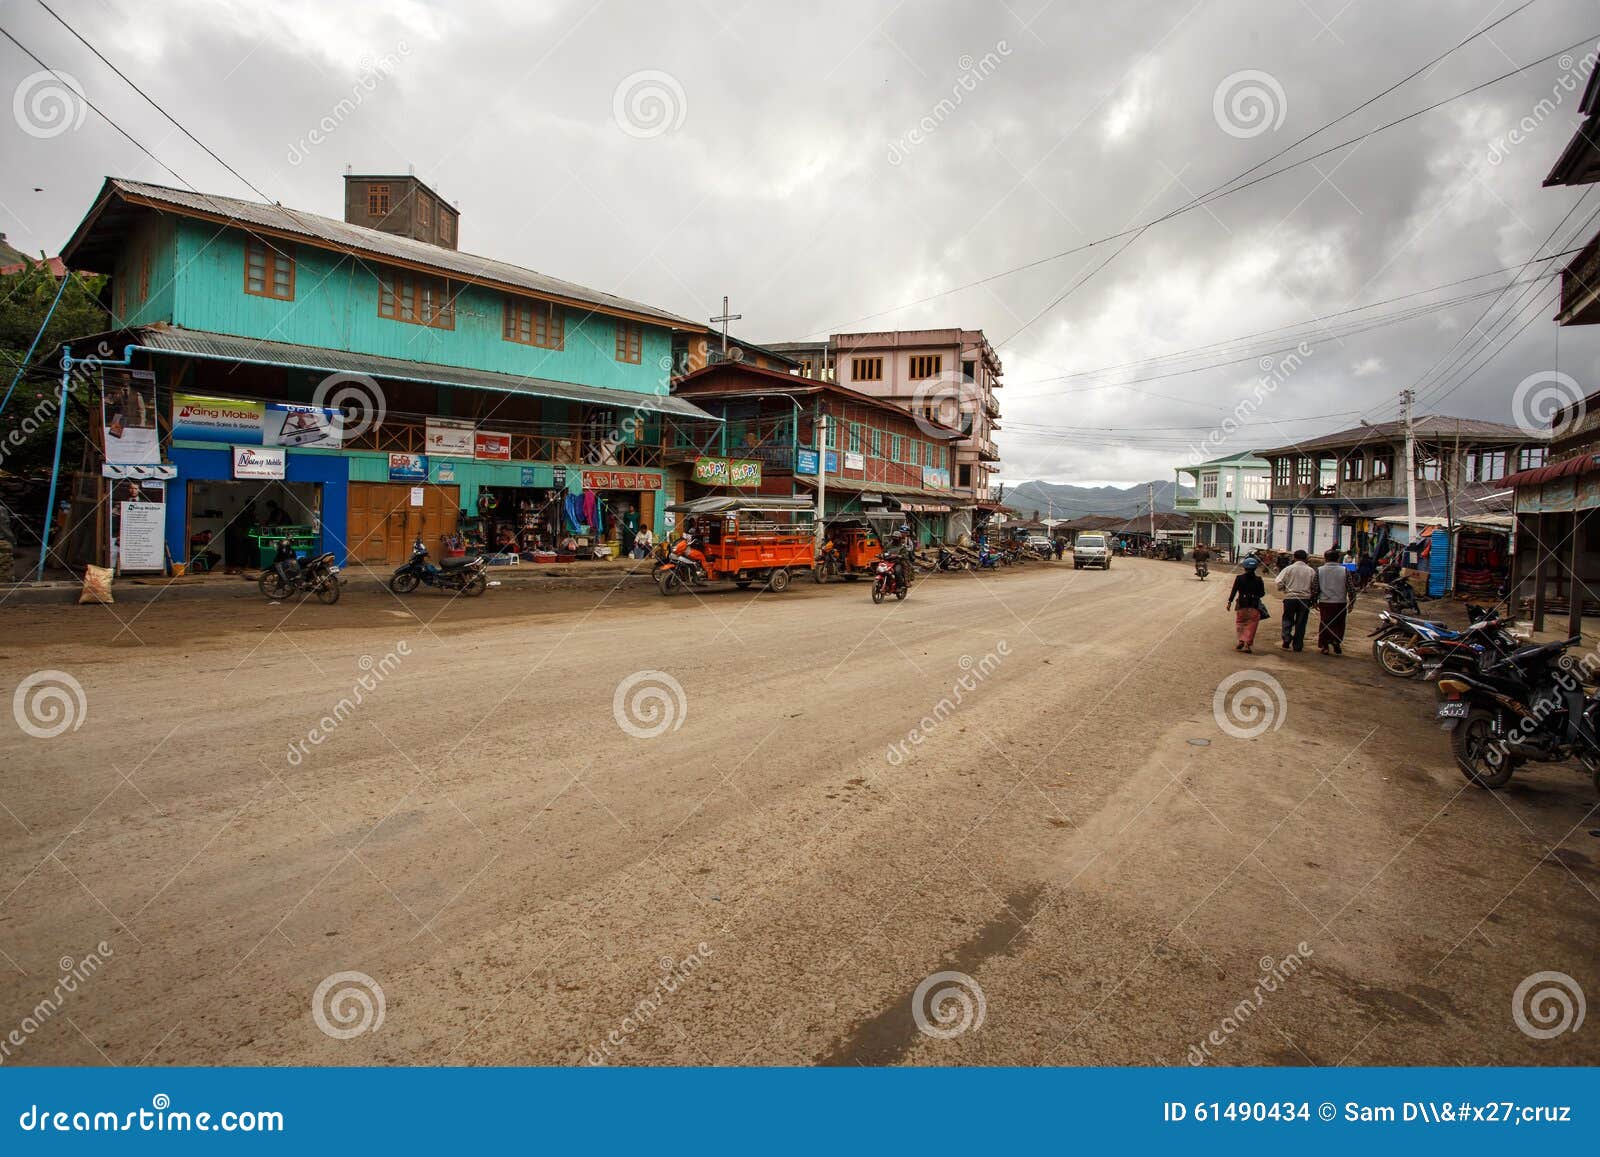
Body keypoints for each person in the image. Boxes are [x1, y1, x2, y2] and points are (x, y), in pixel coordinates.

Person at [1275, 549, 1317, 652]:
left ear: (1294, 557)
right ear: (1306, 558)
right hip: (1305, 599)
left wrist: (1284, 589)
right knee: (1301, 622)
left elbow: (1279, 582)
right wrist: (1313, 598)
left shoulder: (1288, 569)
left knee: (1287, 619)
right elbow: (1315, 586)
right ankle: (1298, 645)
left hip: (1290, 598)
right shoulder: (1311, 570)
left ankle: (1286, 638)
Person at [1314, 546, 1354, 655]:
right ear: (1338, 559)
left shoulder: (1320, 570)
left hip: (1325, 602)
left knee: (1325, 623)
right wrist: (1351, 602)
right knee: (1339, 623)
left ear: (1325, 558)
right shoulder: (1344, 570)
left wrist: (1314, 601)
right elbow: (1350, 587)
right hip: (1340, 602)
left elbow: (1315, 587)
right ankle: (1336, 640)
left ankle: (1325, 646)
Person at [1227, 556, 1267, 652]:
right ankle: (1247, 644)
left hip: (1241, 604)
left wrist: (1229, 602)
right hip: (1254, 605)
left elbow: (1234, 591)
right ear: (1255, 568)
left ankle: (1241, 640)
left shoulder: (1239, 578)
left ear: (1244, 567)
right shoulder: (1258, 579)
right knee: (1252, 624)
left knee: (1240, 622)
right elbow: (1262, 593)